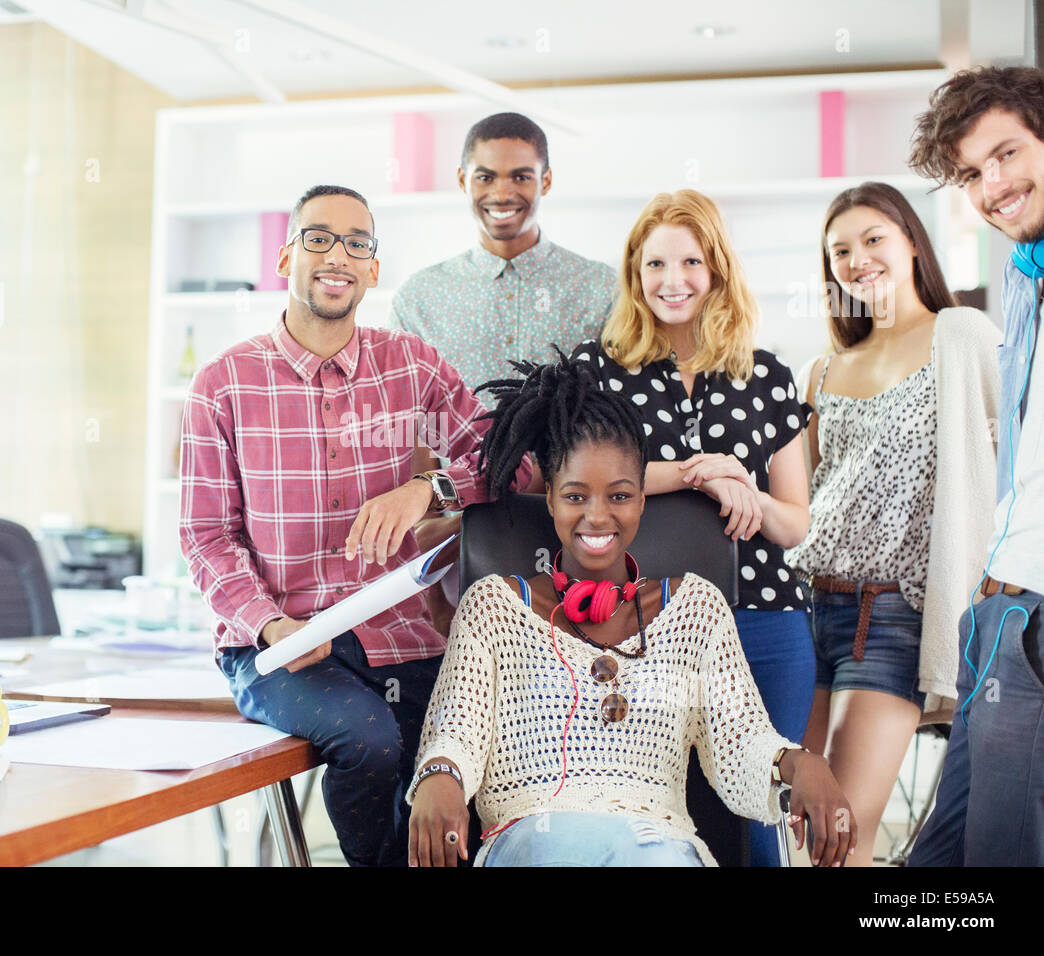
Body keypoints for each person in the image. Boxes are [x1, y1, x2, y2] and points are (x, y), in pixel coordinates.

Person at [178, 184, 529, 867]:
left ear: (372, 268)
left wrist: (428, 490)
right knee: (369, 740)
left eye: (357, 243)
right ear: (286, 257)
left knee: (474, 752)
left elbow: (509, 463)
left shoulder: (413, 365)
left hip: (399, 640)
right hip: (280, 646)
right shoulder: (224, 384)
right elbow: (206, 536)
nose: (337, 255)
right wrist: (270, 625)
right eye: (318, 238)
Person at [406, 350, 857, 867]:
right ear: (549, 499)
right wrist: (440, 774)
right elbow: (455, 731)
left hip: (657, 845)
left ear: (642, 499)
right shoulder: (493, 608)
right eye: (576, 496)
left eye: (619, 496)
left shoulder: (697, 610)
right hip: (533, 841)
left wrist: (800, 763)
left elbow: (742, 744)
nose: (597, 517)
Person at [570, 189, 813, 866]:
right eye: (655, 264)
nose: (671, 280)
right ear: (635, 273)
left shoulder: (767, 375)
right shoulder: (598, 370)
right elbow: (583, 481)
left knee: (761, 820)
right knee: (661, 819)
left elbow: (794, 522)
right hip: (646, 620)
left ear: (716, 270)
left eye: (689, 262)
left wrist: (747, 494)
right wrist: (695, 472)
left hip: (765, 618)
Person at [784, 181, 999, 866]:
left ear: (911, 241)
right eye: (840, 250)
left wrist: (1000, 564)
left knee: (841, 830)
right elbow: (802, 497)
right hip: (805, 607)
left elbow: (1023, 444)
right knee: (792, 826)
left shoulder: (958, 334)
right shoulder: (821, 370)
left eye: (873, 239)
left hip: (890, 616)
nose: (858, 260)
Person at [906, 65, 1044, 866]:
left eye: (1008, 154)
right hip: (996, 609)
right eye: (971, 173)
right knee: (941, 856)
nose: (993, 185)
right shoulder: (1023, 279)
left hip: (1034, 614)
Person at [390, 112, 617, 397]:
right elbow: (400, 408)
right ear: (462, 180)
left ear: (546, 181)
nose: (501, 194)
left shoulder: (603, 289)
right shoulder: (418, 298)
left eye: (521, 177)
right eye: (485, 177)